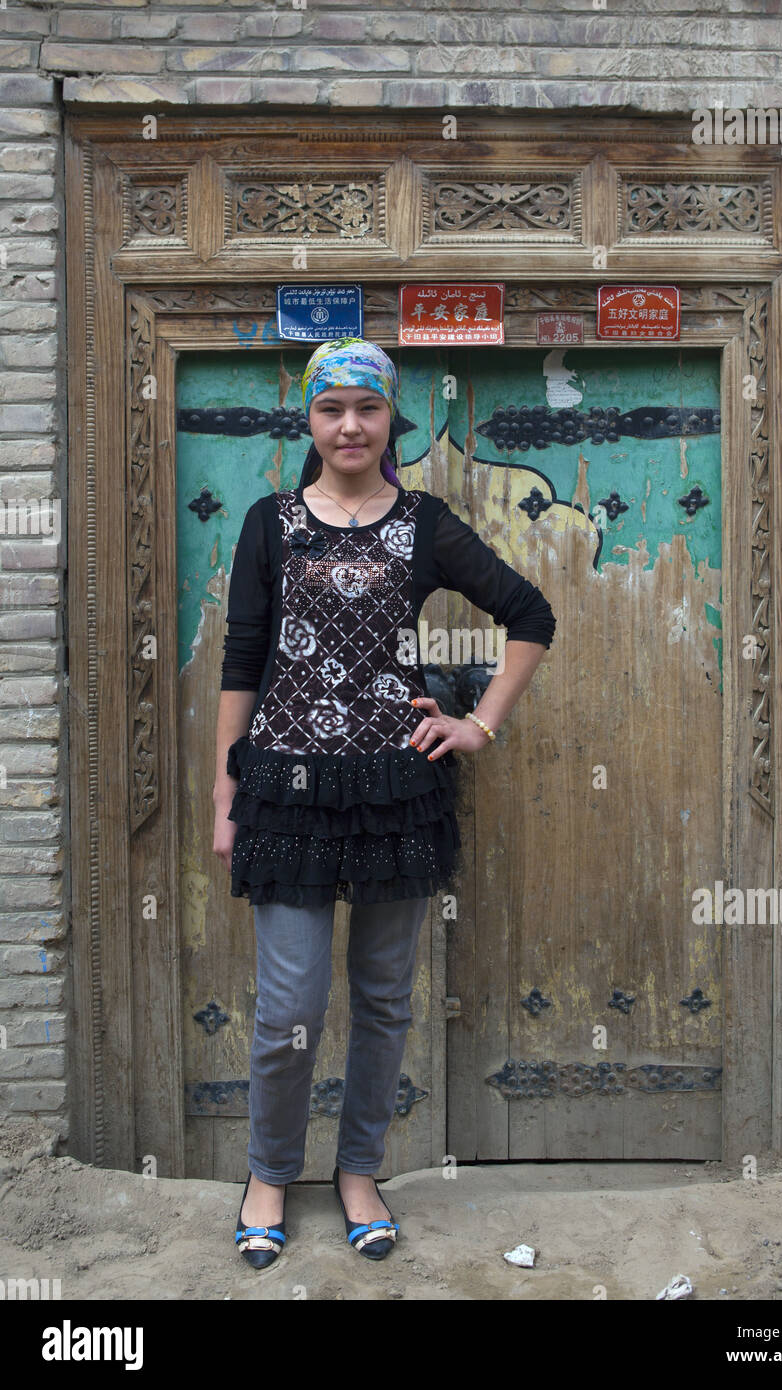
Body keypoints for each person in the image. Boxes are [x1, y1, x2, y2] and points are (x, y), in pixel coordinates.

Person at [212, 337, 556, 1267]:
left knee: (383, 999)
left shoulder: (424, 525)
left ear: (387, 418)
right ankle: (269, 1176)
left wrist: (478, 723)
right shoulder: (270, 521)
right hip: (283, 790)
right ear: (311, 422)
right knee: (289, 1003)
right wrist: (224, 791)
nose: (350, 426)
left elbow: (531, 615)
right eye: (332, 410)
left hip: (396, 790)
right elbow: (243, 659)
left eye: (367, 408)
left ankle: (360, 1172)